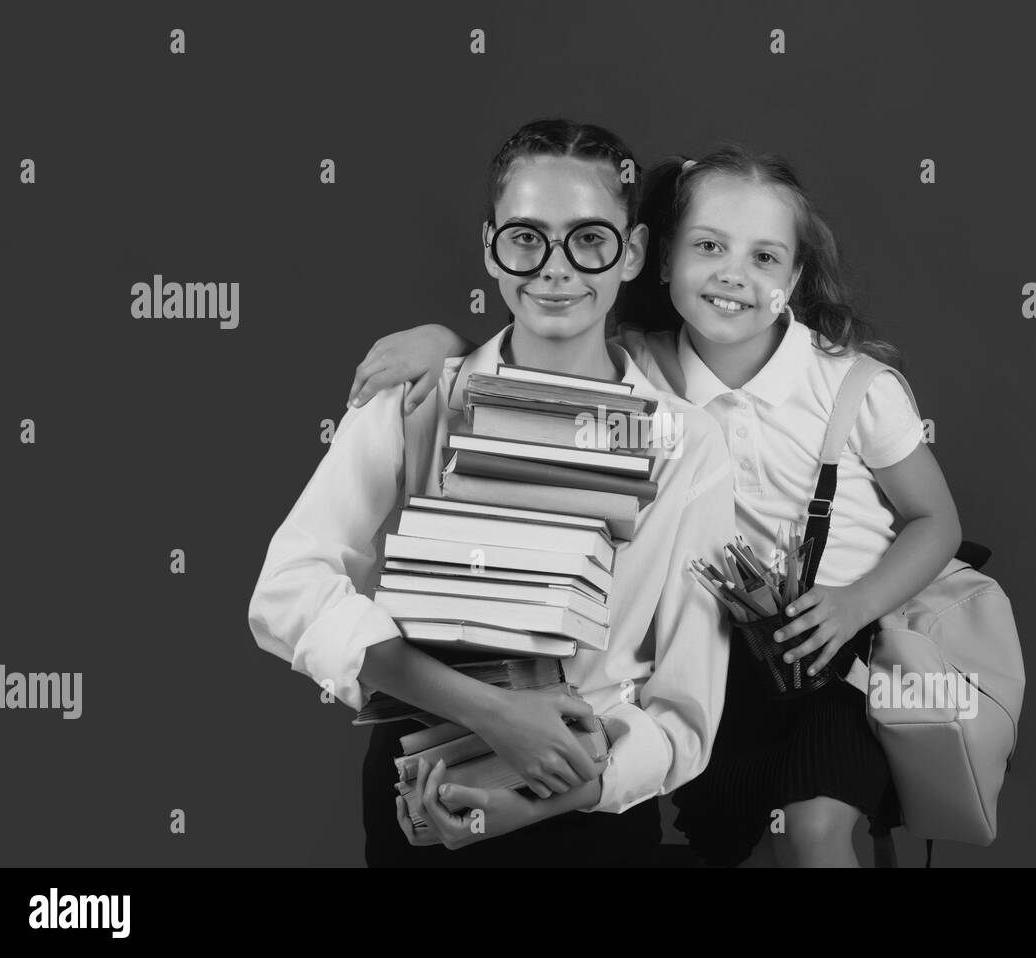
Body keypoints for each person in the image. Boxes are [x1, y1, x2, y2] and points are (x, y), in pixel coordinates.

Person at [347, 144, 964, 867]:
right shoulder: (636, 369)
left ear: (793, 278)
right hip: (719, 660)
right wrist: (445, 342)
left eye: (765, 258)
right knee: (709, 830)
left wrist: (852, 605)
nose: (734, 274)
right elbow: (534, 348)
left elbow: (937, 522)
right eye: (708, 246)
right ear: (660, 260)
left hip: (838, 660)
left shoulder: (853, 385)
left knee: (814, 833)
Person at [248, 119, 736, 867]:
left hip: (588, 793)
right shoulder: (414, 398)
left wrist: (564, 786)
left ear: (632, 253)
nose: (556, 268)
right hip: (421, 775)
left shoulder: (687, 443)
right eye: (526, 238)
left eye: (590, 240)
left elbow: (685, 707)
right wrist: (490, 711)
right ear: (490, 247)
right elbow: (288, 589)